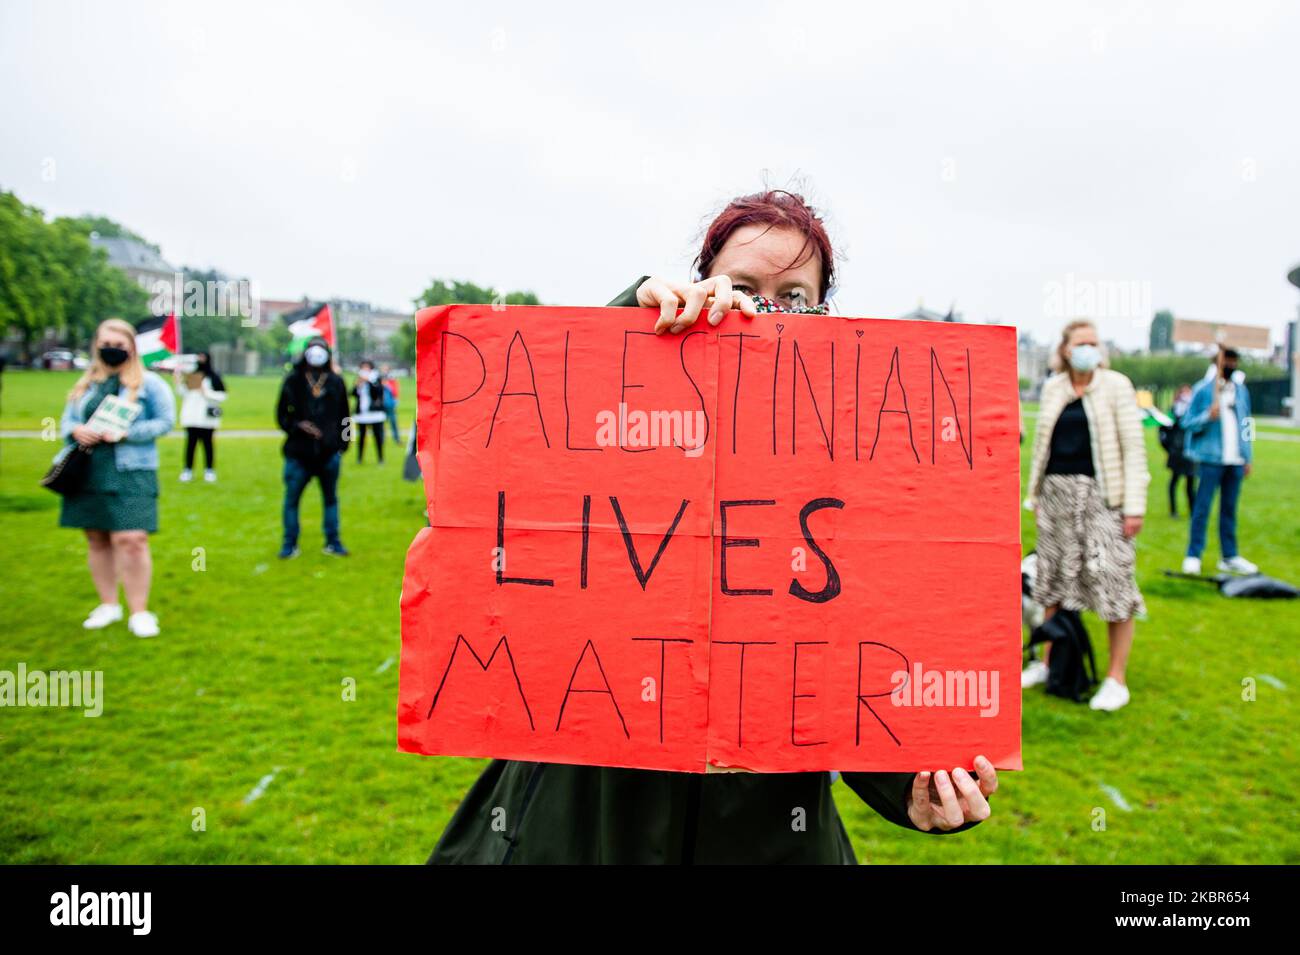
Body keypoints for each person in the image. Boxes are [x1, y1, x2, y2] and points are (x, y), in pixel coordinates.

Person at [430, 190, 998, 865]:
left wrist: (908, 785)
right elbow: (509, 450)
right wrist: (626, 323)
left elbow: (861, 663)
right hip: (592, 815)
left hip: (763, 833)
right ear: (705, 288)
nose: (767, 310)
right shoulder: (624, 420)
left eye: (794, 294)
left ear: (824, 312)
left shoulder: (851, 468)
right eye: (744, 286)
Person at [1021, 320, 1149, 712]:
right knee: (1053, 582)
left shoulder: (1116, 386)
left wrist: (1134, 506)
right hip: (1057, 494)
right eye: (1081, 343)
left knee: (1113, 583)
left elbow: (1133, 447)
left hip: (1102, 497)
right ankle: (1048, 661)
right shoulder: (1054, 388)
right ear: (1064, 349)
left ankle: (1116, 678)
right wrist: (1037, 492)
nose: (1088, 349)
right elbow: (1043, 445)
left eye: (1094, 342)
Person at [58, 318, 175, 638]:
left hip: (131, 470)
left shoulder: (149, 384)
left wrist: (127, 433)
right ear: (96, 346)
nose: (112, 350)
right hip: (89, 470)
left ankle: (140, 611)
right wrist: (75, 430)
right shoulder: (86, 385)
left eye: (120, 346)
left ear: (132, 348)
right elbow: (66, 422)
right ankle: (108, 604)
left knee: (132, 539)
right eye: (106, 344)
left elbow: (166, 422)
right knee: (97, 538)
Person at [1181, 348, 1257, 575]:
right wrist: (1207, 416)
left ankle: (1229, 555)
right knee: (1202, 508)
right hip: (1211, 459)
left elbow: (1247, 425)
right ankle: (1193, 554)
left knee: (1229, 509)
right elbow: (1187, 422)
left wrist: (1248, 455)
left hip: (1235, 460)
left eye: (1235, 361)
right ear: (1217, 363)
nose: (1231, 365)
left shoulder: (1241, 391)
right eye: (1228, 361)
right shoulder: (1204, 390)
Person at [276, 335, 351, 558]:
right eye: (313, 349)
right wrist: (297, 426)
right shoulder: (294, 380)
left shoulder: (336, 381)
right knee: (292, 500)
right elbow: (281, 416)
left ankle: (333, 541)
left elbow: (345, 417)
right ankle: (289, 544)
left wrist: (343, 444)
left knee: (330, 499)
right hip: (298, 453)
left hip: (329, 453)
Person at [175, 350, 227, 483]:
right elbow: (183, 393)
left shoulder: (214, 377)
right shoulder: (192, 375)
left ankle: (209, 470)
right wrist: (178, 382)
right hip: (192, 417)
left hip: (207, 418)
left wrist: (206, 392)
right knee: (190, 445)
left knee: (208, 445)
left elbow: (222, 395)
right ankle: (188, 470)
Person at [1158, 383, 1195, 517]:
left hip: (1189, 452)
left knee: (1191, 482)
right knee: (1175, 480)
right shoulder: (1173, 411)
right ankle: (1173, 510)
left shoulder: (1192, 412)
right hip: (1177, 452)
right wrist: (1169, 448)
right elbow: (1163, 432)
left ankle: (1193, 510)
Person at [351, 359, 387, 464]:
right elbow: (353, 393)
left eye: (367, 367)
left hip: (375, 413)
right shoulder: (359, 379)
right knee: (361, 436)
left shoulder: (376, 378)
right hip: (362, 412)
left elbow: (379, 392)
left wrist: (369, 381)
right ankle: (360, 458)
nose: (365, 369)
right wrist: (358, 385)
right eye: (363, 367)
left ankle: (380, 458)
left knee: (378, 436)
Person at [380, 363, 401, 442]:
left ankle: (396, 438)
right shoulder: (379, 378)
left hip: (390, 404)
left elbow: (395, 391)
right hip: (382, 404)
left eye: (386, 369)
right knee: (382, 422)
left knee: (393, 421)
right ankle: (382, 438)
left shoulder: (392, 379)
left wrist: (387, 385)